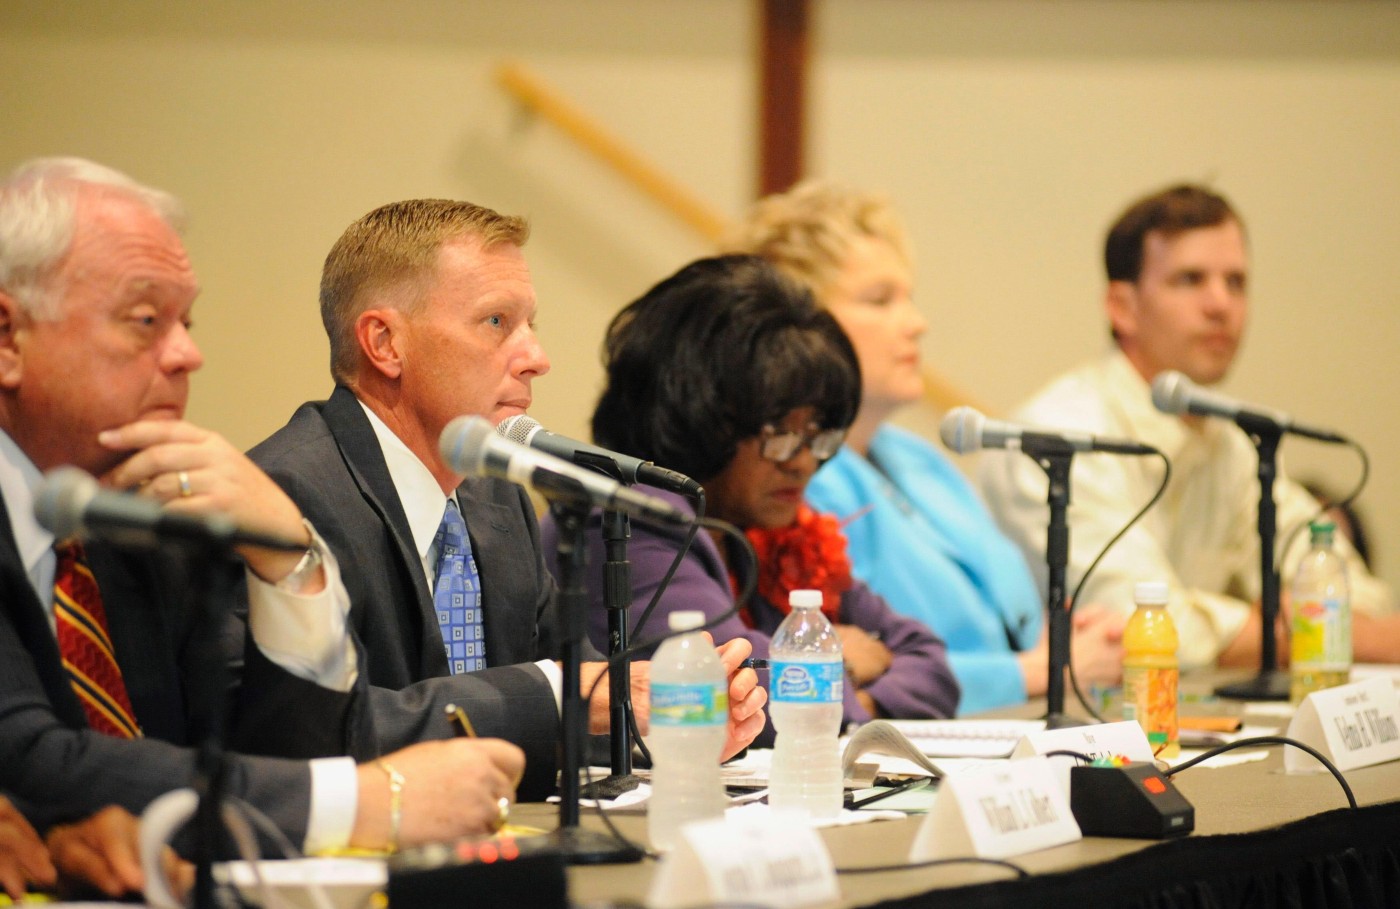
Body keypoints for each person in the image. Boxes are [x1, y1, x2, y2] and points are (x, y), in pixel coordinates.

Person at [0, 157, 524, 856]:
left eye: (186, 320)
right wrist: (371, 800)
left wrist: (291, 562)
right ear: (8, 339)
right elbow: (33, 760)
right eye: (145, 319)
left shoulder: (140, 524)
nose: (188, 354)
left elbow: (266, 751)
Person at [249, 199, 766, 794]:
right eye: (496, 322)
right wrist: (562, 693)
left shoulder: (497, 501)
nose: (537, 360)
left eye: (531, 325)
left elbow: (577, 701)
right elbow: (319, 734)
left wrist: (670, 729)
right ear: (385, 342)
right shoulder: (284, 498)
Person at [724, 181, 1123, 713]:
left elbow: (1002, 621)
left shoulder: (920, 458)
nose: (917, 323)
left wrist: (1066, 639)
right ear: (797, 324)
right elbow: (852, 656)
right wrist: (1035, 670)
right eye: (880, 299)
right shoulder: (788, 480)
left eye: (908, 298)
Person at [978, 183, 1398, 669]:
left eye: (1236, 282)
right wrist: (1288, 628)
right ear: (1122, 307)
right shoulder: (1056, 437)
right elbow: (1145, 625)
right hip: (1058, 733)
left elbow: (1350, 589)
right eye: (1190, 279)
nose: (1220, 303)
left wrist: (1299, 621)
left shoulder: (1236, 442)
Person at [543, 255, 959, 744]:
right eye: (781, 434)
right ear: (695, 415)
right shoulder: (627, 519)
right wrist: (839, 665)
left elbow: (929, 661)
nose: (803, 462)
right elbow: (735, 693)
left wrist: (847, 700)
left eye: (818, 436)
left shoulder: (775, 527)